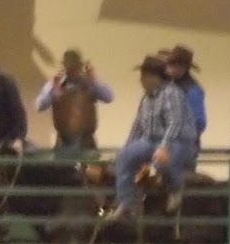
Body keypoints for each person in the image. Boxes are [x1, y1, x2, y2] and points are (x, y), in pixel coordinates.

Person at [110, 56, 199, 219]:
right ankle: (127, 202)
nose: (141, 81)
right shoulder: (146, 98)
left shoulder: (172, 93)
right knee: (124, 156)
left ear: (154, 77)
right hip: (151, 140)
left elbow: (175, 122)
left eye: (144, 76)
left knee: (163, 160)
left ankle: (176, 187)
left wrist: (163, 146)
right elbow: (137, 125)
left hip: (179, 141)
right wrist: (128, 146)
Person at [34, 48, 113, 113]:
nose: (72, 69)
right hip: (63, 129)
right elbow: (39, 106)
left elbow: (108, 98)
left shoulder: (89, 82)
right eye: (69, 66)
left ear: (80, 66)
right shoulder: (57, 82)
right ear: (64, 66)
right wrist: (53, 88)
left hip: (87, 129)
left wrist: (93, 80)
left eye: (75, 65)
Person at [165, 45, 207, 151]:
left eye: (176, 65)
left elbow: (199, 122)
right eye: (171, 64)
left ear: (184, 68)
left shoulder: (192, 90)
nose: (171, 68)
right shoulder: (169, 86)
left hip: (184, 146)